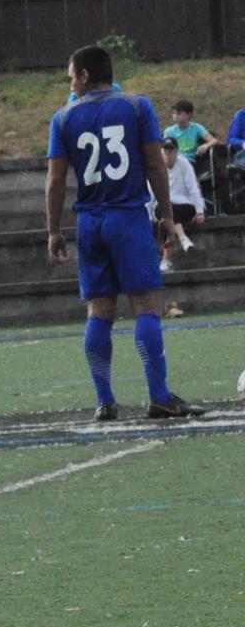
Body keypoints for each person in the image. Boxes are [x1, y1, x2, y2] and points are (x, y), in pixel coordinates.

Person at [46, 45, 201, 420]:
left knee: (99, 310)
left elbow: (55, 180)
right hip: (128, 217)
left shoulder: (63, 117)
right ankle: (159, 396)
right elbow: (154, 165)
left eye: (71, 76)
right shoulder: (137, 106)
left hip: (89, 223)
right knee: (146, 305)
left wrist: (53, 231)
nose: (70, 82)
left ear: (84, 76)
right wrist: (166, 214)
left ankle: (105, 401)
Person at [159, 141, 205, 272]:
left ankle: (165, 260)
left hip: (183, 204)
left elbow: (193, 188)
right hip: (162, 205)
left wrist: (199, 210)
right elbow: (150, 191)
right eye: (165, 151)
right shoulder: (156, 166)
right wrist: (149, 214)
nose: (168, 154)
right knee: (168, 211)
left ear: (176, 151)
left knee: (170, 215)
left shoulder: (184, 163)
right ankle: (183, 238)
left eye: (171, 151)